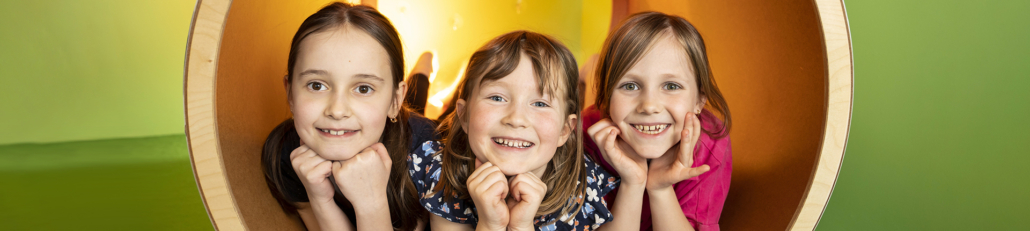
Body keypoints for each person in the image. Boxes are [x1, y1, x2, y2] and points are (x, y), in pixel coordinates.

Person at [409, 31, 617, 231]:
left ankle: (589, 71)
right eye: (497, 98)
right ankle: (424, 66)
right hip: (454, 130)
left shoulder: (582, 186)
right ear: (464, 116)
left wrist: (520, 227)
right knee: (414, 100)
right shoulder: (440, 171)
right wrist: (491, 226)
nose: (516, 119)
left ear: (565, 131)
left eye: (540, 103)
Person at [260, 2, 435, 230]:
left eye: (363, 88)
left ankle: (424, 67)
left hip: (407, 127)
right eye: (316, 85)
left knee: (418, 95)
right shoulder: (285, 153)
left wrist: (372, 205)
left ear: (394, 101)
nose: (337, 110)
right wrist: (319, 199)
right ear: (290, 93)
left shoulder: (425, 151)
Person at [583, 11, 733, 231]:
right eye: (630, 86)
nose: (649, 105)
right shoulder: (586, 137)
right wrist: (632, 184)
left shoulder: (710, 144)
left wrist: (660, 189)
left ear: (700, 100)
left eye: (671, 86)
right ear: (606, 98)